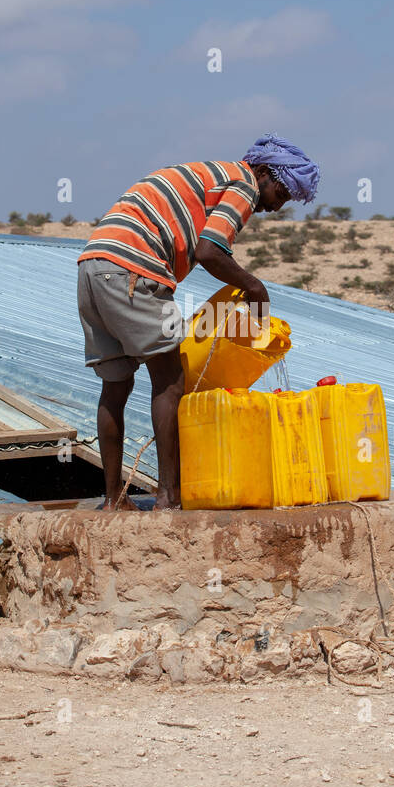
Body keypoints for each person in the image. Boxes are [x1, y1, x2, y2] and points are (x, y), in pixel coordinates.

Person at [76, 134, 321, 510]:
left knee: (116, 385)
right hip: (134, 269)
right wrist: (254, 287)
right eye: (281, 194)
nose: (276, 206)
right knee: (170, 380)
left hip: (92, 266)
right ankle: (169, 497)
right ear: (263, 172)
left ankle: (112, 500)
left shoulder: (212, 176)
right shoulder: (243, 183)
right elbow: (209, 251)